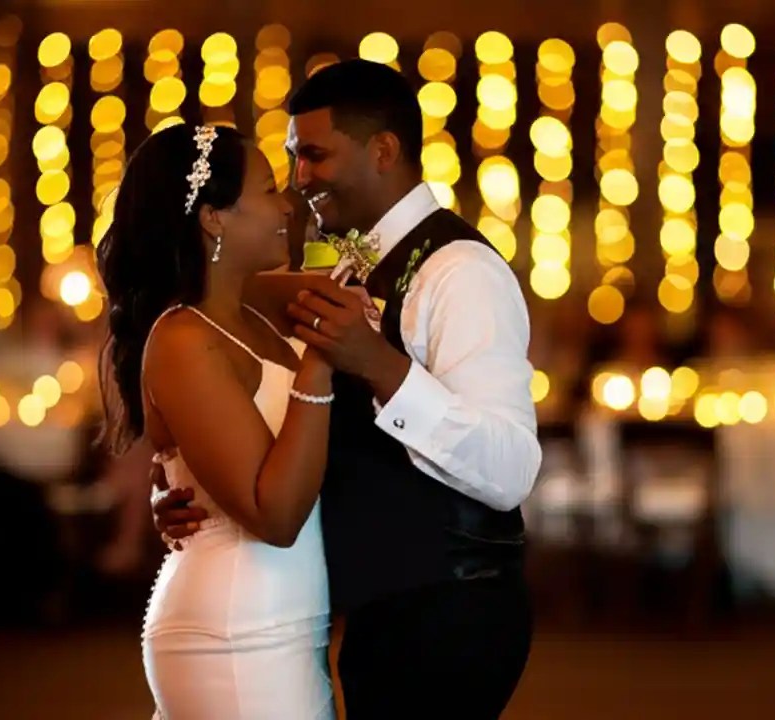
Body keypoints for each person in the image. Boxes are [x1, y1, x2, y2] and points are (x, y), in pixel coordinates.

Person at [154, 59, 541, 718]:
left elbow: (509, 470)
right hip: (375, 609)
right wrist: (183, 474)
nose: (301, 179)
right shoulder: (347, 267)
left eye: (314, 155)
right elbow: (199, 330)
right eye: (290, 161)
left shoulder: (459, 271)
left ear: (383, 150)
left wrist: (380, 365)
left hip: (449, 608)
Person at [96, 122, 340, 719]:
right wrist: (323, 361)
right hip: (236, 630)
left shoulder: (257, 309)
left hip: (285, 625)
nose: (287, 205)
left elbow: (365, 294)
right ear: (214, 217)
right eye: (267, 190)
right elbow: (276, 516)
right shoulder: (182, 339)